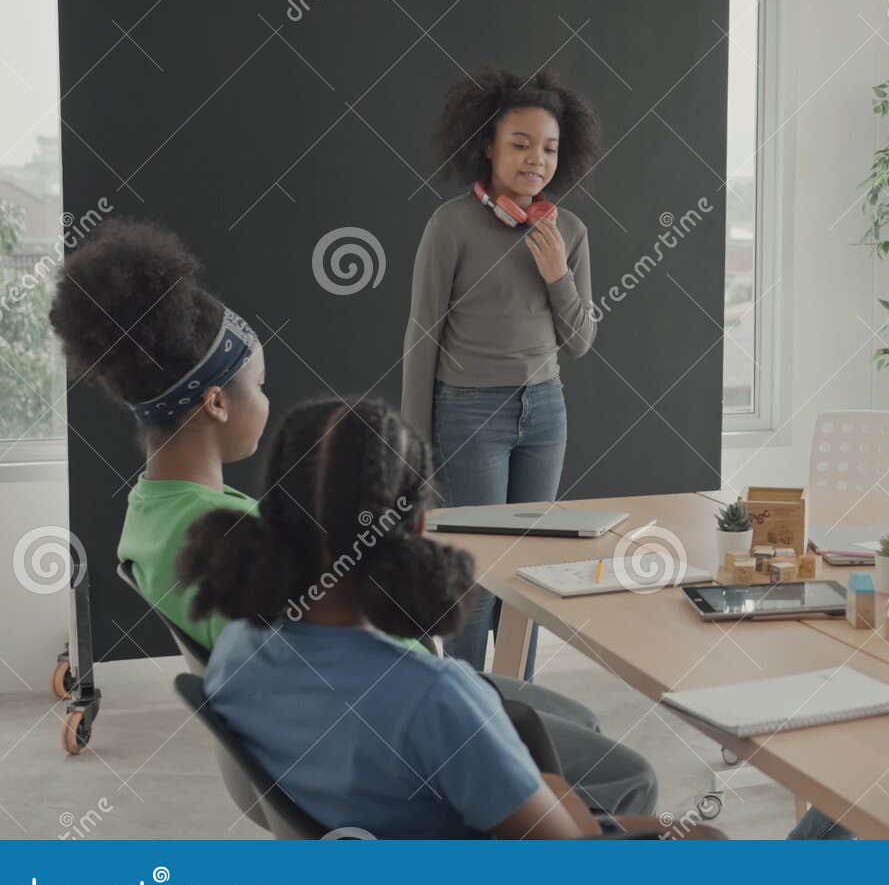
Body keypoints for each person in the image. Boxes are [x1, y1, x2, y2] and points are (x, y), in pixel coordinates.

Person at [50, 219, 653, 820]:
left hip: (356, 729)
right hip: (392, 734)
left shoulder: (155, 515)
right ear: (216, 403)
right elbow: (360, 680)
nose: (267, 399)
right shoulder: (217, 532)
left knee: (575, 720)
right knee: (625, 776)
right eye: (260, 384)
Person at [183, 397, 710, 839]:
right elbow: (567, 854)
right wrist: (558, 789)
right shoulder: (435, 698)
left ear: (274, 510)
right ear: (417, 528)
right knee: (703, 838)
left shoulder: (236, 645)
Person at [401, 68, 601, 680]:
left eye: (550, 148)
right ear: (487, 145)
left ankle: (518, 697)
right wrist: (415, 448)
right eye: (520, 143)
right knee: (479, 571)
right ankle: (462, 698)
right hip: (469, 413)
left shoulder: (568, 232)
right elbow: (422, 334)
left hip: (545, 412)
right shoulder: (450, 225)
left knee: (529, 573)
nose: (537, 159)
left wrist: (557, 275)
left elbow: (580, 342)